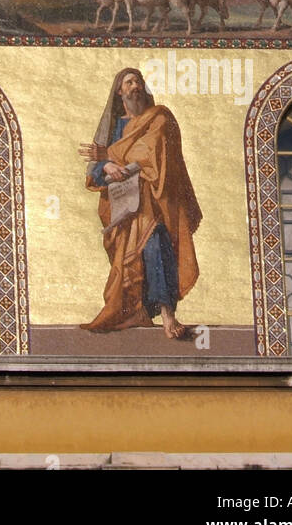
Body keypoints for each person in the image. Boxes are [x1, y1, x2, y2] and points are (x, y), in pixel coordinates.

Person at [78, 67, 201, 337]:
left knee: (157, 246)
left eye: (138, 82)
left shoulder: (159, 118)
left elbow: (154, 151)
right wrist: (107, 165)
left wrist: (109, 155)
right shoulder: (115, 127)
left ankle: (168, 316)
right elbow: (96, 170)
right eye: (128, 82)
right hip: (123, 206)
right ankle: (138, 311)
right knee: (129, 261)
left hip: (155, 199)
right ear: (119, 91)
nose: (134, 86)